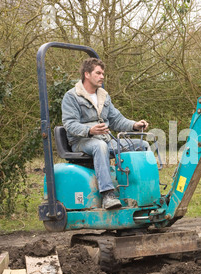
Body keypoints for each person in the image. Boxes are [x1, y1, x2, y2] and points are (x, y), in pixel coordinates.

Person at [61, 57, 149, 210]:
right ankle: (107, 195)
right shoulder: (72, 96)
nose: (102, 76)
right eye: (98, 73)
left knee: (142, 144)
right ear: (87, 74)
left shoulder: (103, 96)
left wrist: (135, 125)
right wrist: (89, 130)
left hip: (105, 139)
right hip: (82, 142)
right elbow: (69, 124)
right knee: (100, 146)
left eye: (103, 73)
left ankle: (140, 190)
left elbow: (116, 120)